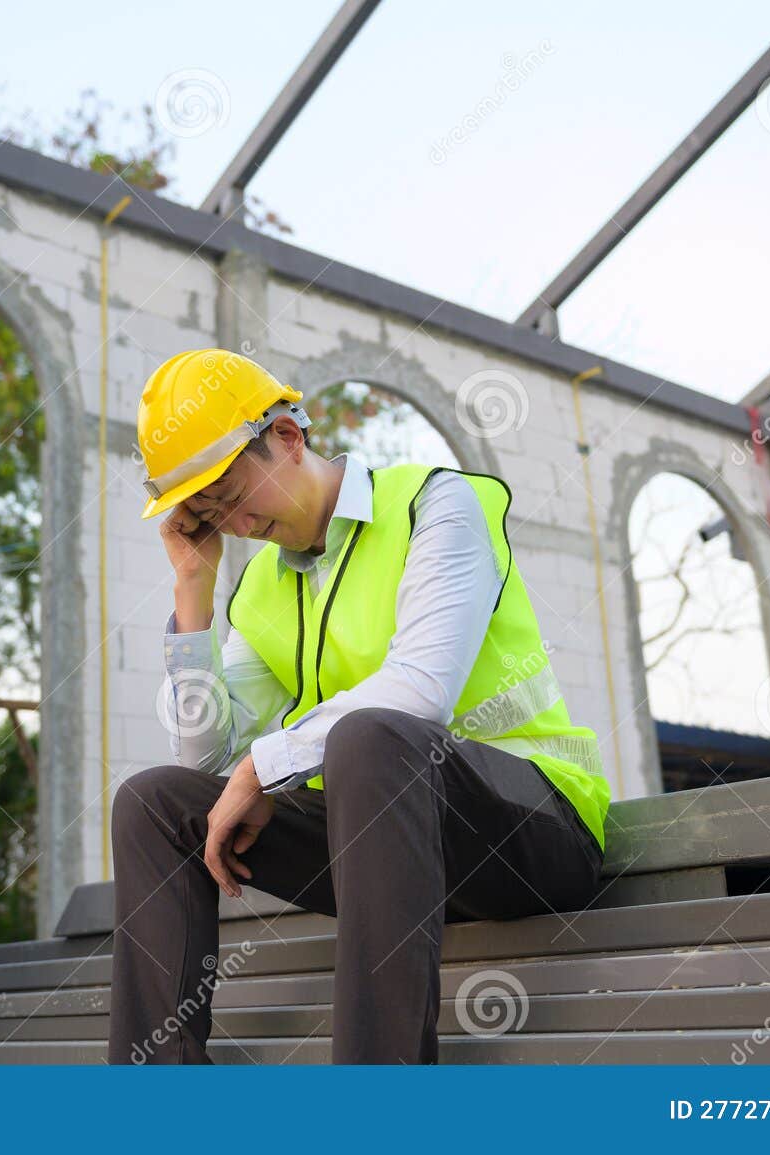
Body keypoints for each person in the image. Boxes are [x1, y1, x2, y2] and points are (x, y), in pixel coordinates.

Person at [108, 347, 612, 1064]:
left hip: (532, 829)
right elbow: (204, 761)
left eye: (230, 489)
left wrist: (262, 768)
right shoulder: (259, 591)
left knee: (373, 738)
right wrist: (193, 591)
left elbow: (423, 688)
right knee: (153, 801)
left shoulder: (434, 505)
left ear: (287, 435)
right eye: (207, 511)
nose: (234, 521)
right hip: (385, 850)